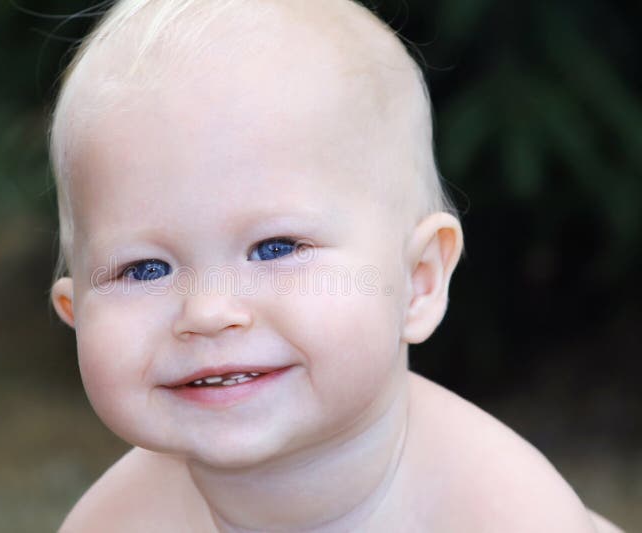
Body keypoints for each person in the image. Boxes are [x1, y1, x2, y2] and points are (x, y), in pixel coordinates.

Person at [47, 0, 623, 530]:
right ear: (77, 313)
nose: (208, 312)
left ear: (417, 281)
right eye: (145, 269)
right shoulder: (115, 521)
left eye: (276, 247)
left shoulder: (503, 511)